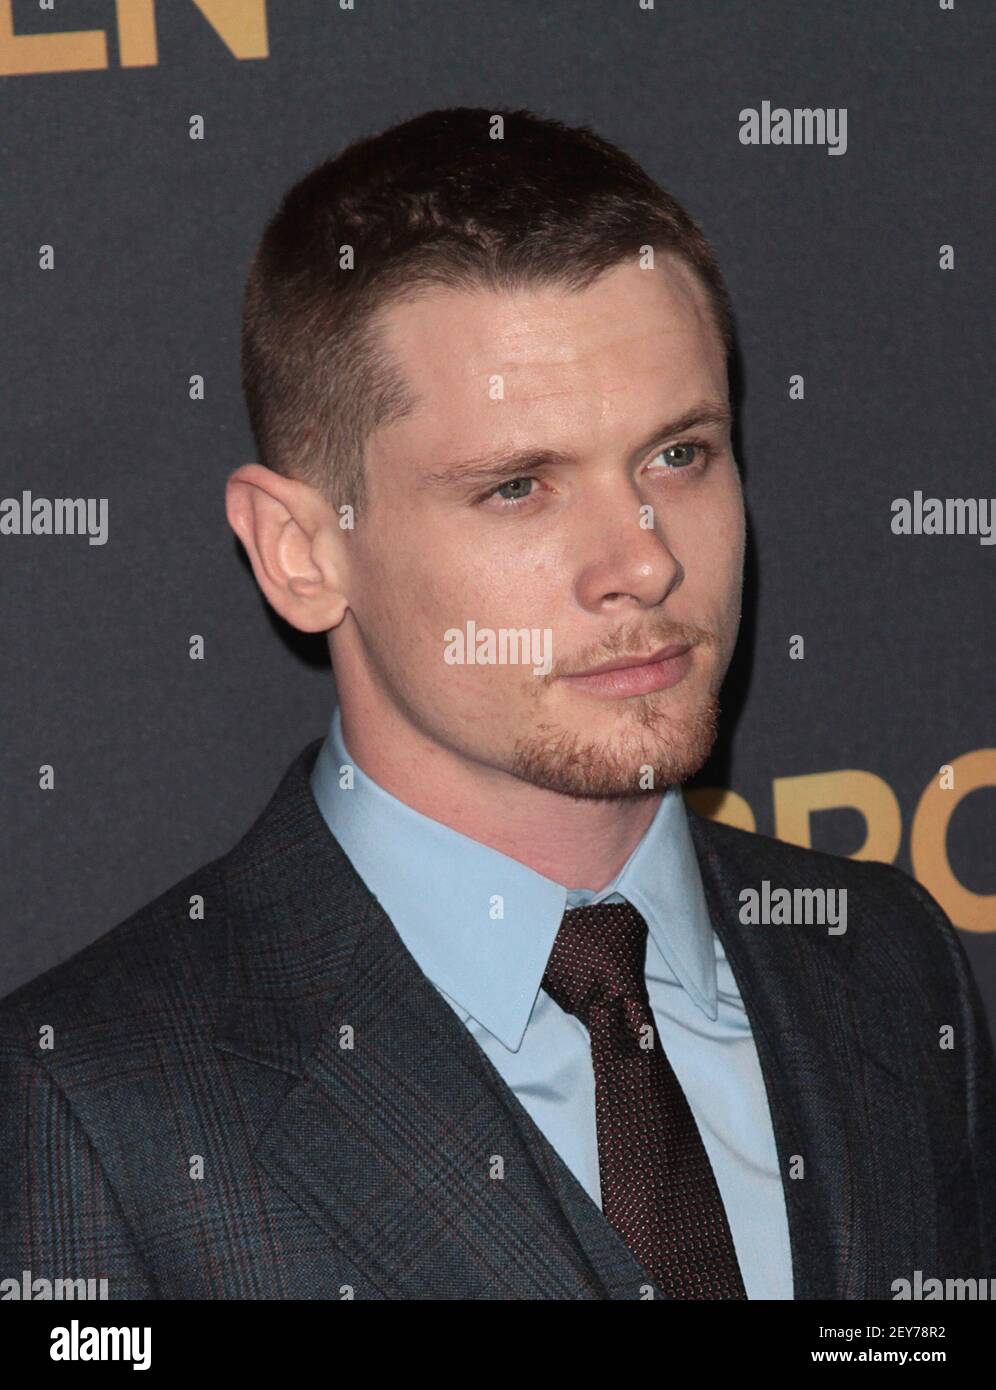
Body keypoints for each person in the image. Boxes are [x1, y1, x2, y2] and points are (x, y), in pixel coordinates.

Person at [1, 107, 993, 1301]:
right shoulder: (90, 1103)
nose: (643, 562)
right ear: (299, 552)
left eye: (678, 455)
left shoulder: (885, 965)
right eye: (519, 486)